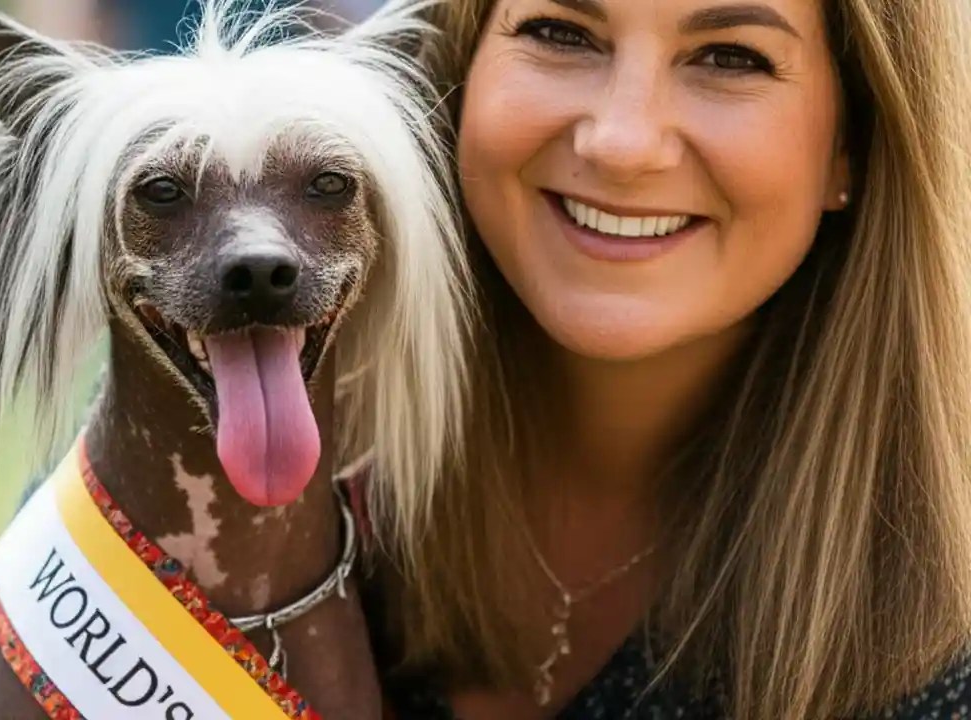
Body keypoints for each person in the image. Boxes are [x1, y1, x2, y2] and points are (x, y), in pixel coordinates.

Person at [352, 0, 971, 718]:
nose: (621, 141)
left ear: (851, 144)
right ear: (462, 73)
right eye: (560, 33)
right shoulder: (269, 425)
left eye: (731, 57)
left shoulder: (946, 647)